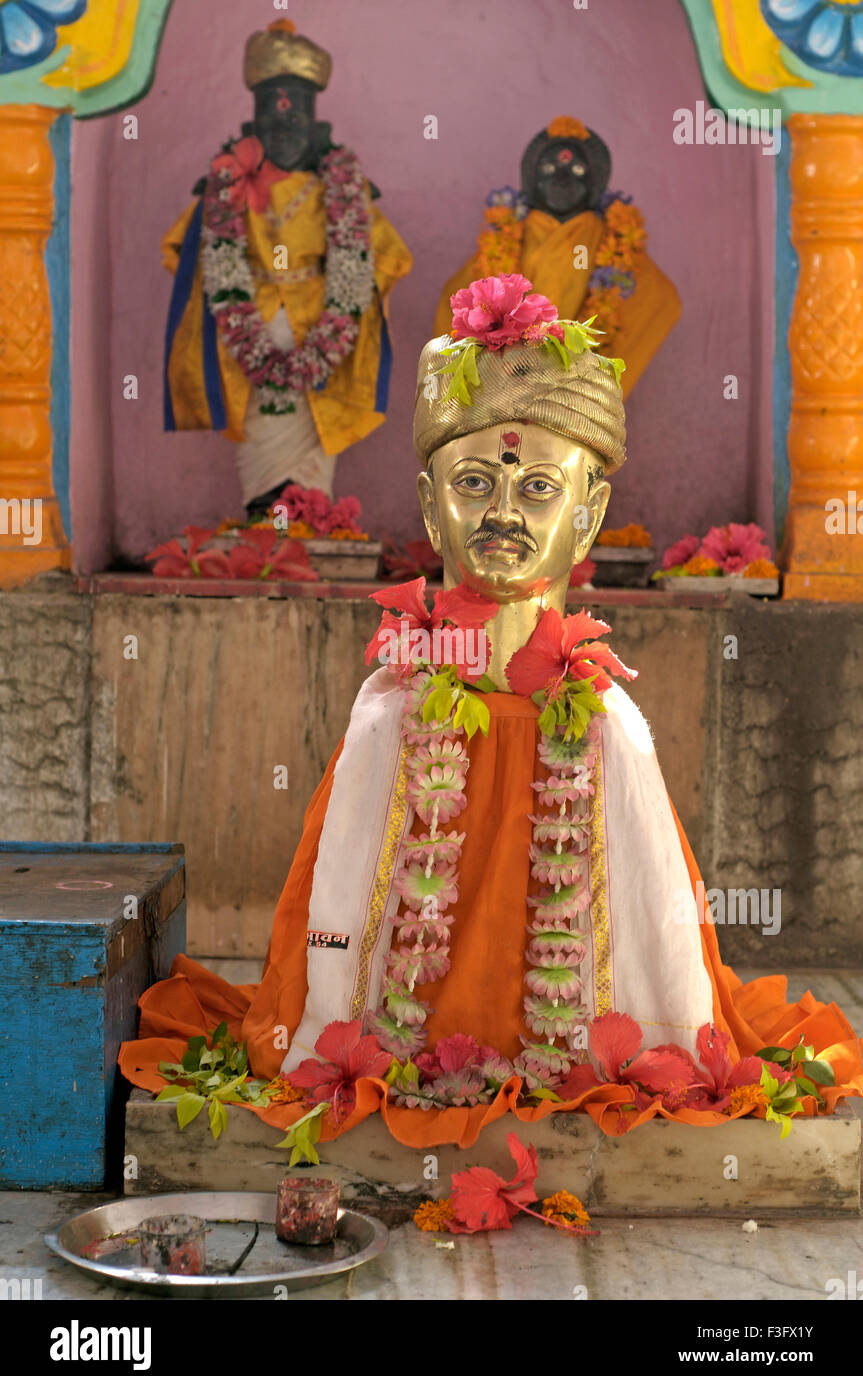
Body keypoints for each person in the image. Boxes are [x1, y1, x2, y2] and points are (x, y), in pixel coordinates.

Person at [123, 275, 862, 1142]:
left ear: (588, 520)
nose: (503, 512)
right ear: (431, 510)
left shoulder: (607, 724)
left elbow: (653, 947)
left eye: (539, 489)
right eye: (474, 482)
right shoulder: (390, 713)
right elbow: (335, 911)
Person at [162, 19, 412, 514]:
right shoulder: (224, 187)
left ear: (314, 124)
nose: (284, 131)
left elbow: (390, 256)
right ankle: (264, 522)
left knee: (314, 428)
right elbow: (180, 252)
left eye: (295, 121)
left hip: (321, 328)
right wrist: (229, 293)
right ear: (254, 126)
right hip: (249, 328)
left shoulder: (341, 188)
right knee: (259, 426)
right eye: (273, 123)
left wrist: (347, 300)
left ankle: (311, 522)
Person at [433, 117, 680, 398]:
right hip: (505, 392)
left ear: (594, 183)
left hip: (574, 400)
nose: (562, 180)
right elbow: (457, 301)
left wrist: (593, 370)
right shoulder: (509, 234)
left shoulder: (608, 240)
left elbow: (661, 299)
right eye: (549, 168)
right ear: (532, 179)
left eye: (576, 170)